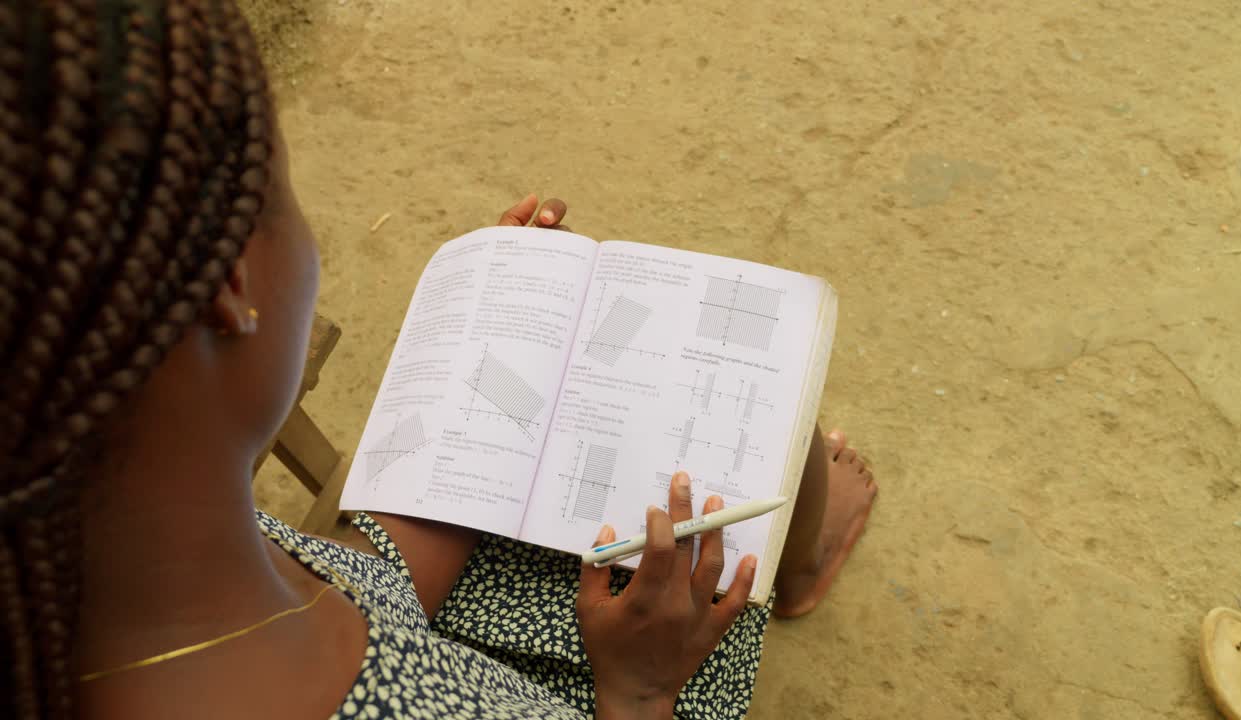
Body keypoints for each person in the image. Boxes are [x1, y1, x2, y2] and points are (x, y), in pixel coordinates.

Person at [0, 2, 878, 718]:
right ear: (228, 289)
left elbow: (356, 591)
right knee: (747, 483)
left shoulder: (86, 560)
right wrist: (640, 691)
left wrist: (492, 351)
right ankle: (795, 560)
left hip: (400, 627)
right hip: (598, 691)